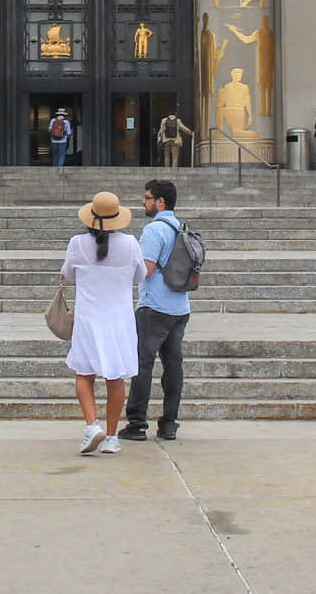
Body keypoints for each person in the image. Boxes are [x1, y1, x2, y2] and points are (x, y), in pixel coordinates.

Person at [61, 190, 141, 456]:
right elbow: (140, 274)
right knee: (115, 376)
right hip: (118, 318)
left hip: (89, 316)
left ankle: (90, 425)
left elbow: (68, 275)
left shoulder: (77, 243)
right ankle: (111, 436)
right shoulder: (130, 243)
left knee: (84, 373)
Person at [120, 178, 190, 443]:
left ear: (160, 202)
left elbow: (145, 269)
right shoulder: (180, 227)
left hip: (154, 307)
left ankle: (137, 423)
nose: (143, 201)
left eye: (148, 197)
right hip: (180, 306)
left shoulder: (154, 230)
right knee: (173, 365)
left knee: (143, 364)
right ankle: (169, 423)